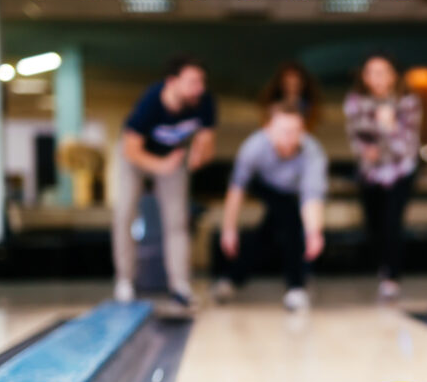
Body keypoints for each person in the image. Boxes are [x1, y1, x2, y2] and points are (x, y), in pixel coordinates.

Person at [112, 55, 216, 308]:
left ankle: (180, 285)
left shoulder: (205, 102)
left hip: (172, 157)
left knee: (177, 220)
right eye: (192, 82)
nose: (199, 88)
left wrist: (198, 154)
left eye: (201, 81)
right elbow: (131, 150)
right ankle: (125, 280)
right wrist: (162, 166)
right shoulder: (150, 102)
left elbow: (206, 139)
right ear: (172, 82)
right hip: (134, 157)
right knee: (125, 213)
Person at [212, 103, 327, 311]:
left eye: (295, 131)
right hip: (262, 184)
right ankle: (296, 286)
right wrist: (228, 229)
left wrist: (313, 233)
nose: (289, 138)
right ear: (268, 129)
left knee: (273, 229)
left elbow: (311, 197)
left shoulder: (313, 152)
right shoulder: (253, 147)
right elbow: (237, 190)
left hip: (292, 192)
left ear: (302, 131)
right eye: (283, 131)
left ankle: (232, 280)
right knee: (289, 220)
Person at [344, 54, 421, 300]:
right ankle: (382, 267)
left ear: (392, 75)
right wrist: (368, 152)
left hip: (400, 171)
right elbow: (356, 139)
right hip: (370, 171)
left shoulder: (408, 102)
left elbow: (407, 146)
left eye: (382, 72)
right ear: (364, 77)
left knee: (392, 222)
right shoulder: (355, 102)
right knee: (373, 224)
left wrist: (389, 127)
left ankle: (392, 277)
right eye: (371, 72)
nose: (376, 77)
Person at [259, 62, 323, 131]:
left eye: (296, 84)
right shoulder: (272, 107)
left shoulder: (310, 108)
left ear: (303, 84)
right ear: (281, 84)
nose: (291, 88)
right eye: (287, 84)